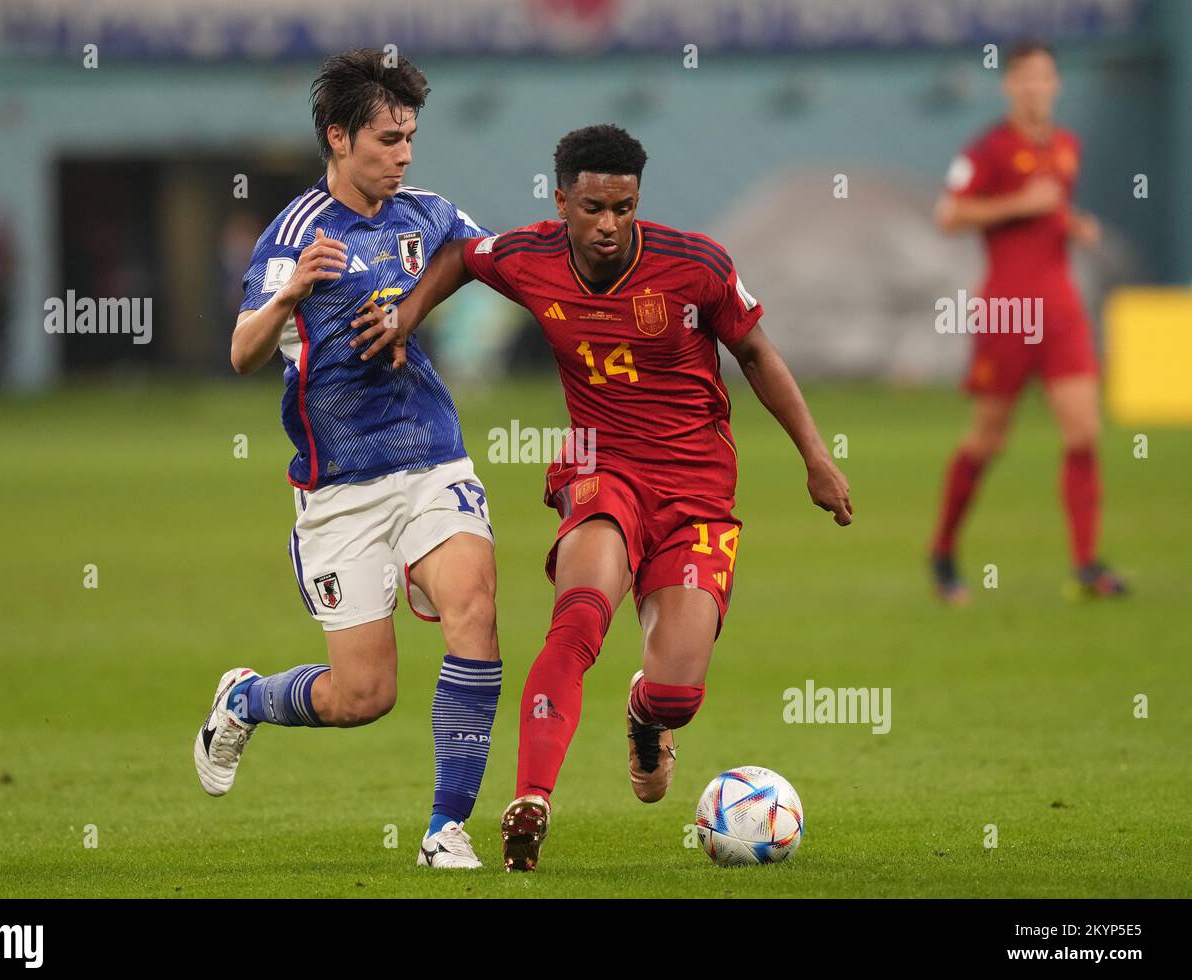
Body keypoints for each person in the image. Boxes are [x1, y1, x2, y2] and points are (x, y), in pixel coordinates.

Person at [351, 123, 851, 870]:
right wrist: (407, 316)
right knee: (578, 618)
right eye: (592, 208)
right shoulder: (529, 257)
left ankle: (648, 717)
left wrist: (816, 456)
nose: (608, 225)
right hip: (600, 470)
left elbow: (754, 352)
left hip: (696, 491)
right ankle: (530, 801)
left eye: (623, 207)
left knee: (678, 690)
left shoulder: (698, 267)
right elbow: (460, 256)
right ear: (562, 201)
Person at [194, 48, 503, 869]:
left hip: (433, 460)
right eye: (387, 139)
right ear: (338, 137)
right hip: (341, 492)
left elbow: (486, 259)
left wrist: (408, 314)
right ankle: (246, 699)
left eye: (410, 138)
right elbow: (241, 353)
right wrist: (291, 293)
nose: (404, 155)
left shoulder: (427, 214)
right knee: (363, 696)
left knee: (474, 609)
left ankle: (446, 829)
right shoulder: (296, 233)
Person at [930, 40, 1125, 601]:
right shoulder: (988, 149)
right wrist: (1019, 204)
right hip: (1007, 312)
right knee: (989, 438)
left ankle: (1087, 566)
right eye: (1025, 78)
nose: (1036, 87)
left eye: (1045, 77)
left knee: (1084, 431)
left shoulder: (1067, 146)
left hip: (1060, 308)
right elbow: (949, 214)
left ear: (1057, 84)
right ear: (1010, 86)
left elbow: (1050, 209)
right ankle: (943, 552)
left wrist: (1070, 222)